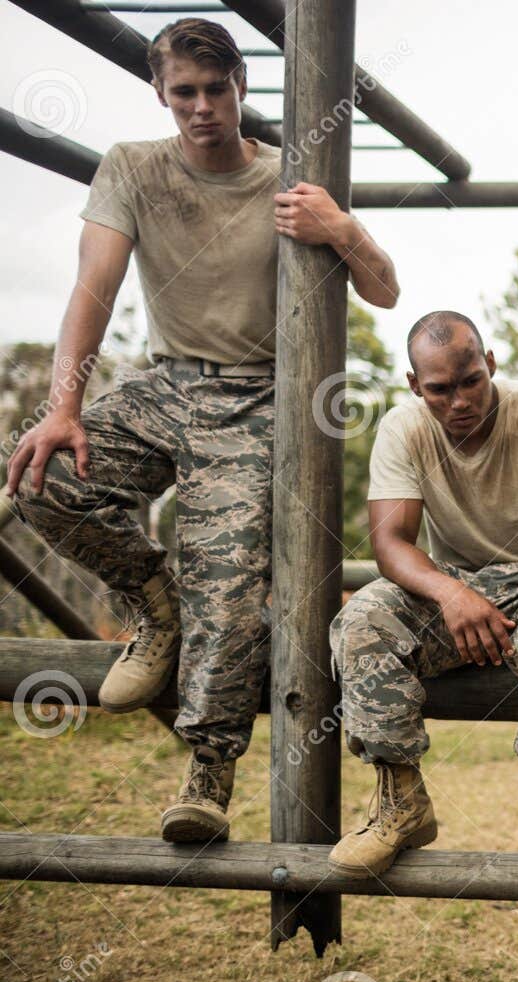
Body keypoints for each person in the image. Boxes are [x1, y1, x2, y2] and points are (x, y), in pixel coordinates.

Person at [5, 17, 400, 843]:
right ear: (160, 93)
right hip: (164, 384)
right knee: (41, 478)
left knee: (227, 584)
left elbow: (387, 291)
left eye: (215, 89)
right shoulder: (133, 168)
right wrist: (63, 406)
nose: (201, 106)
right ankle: (154, 601)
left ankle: (208, 773)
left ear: (240, 89)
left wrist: (344, 230)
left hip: (259, 400)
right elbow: (92, 290)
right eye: (183, 91)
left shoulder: (290, 179)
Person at [327, 312, 518, 877]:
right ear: (416, 386)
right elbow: (391, 544)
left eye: (471, 380)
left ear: (489, 364)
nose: (460, 401)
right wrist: (450, 593)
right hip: (458, 581)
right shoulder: (404, 428)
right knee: (363, 617)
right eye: (441, 390)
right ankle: (400, 800)